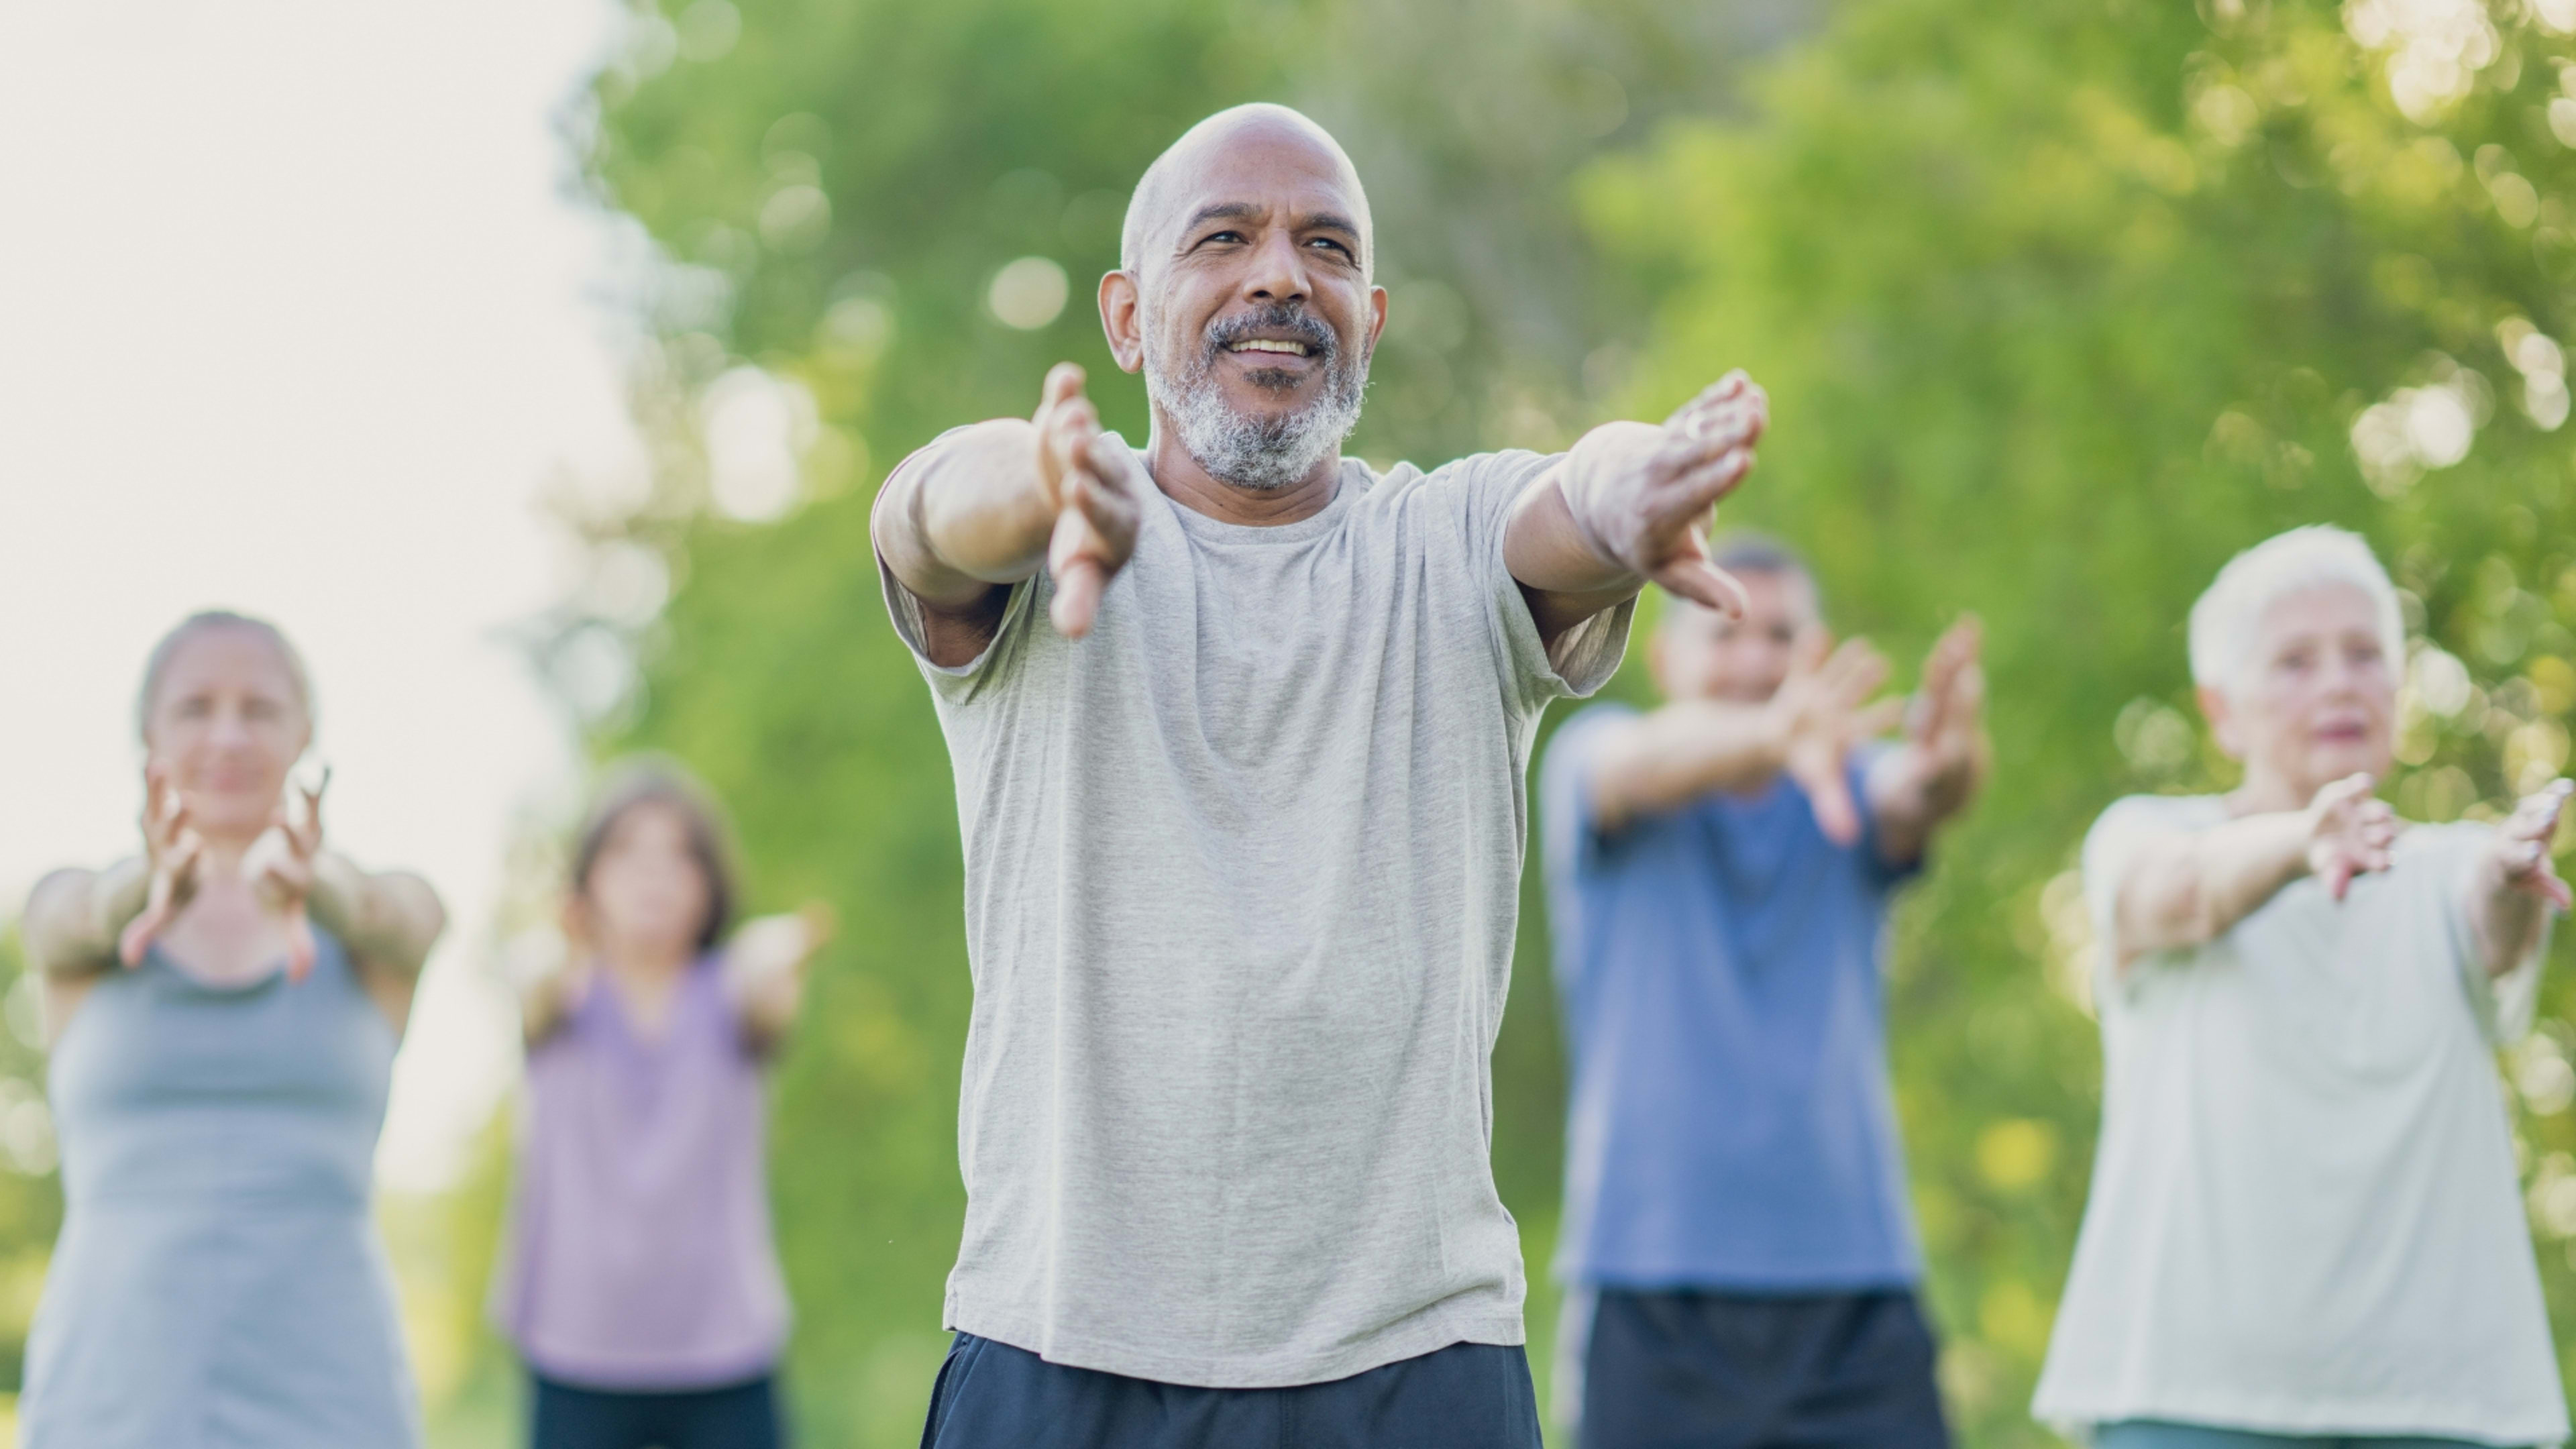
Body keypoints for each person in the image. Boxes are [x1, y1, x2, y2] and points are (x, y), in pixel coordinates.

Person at [871, 102, 1769, 1449]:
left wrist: (1636, 491)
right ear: (1125, 319)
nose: (1282, 275)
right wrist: (1043, 483)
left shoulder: (1446, 541)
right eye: (1223, 239)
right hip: (1062, 1353)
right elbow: (930, 515)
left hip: (1413, 1364)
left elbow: (1572, 497)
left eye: (1327, 248)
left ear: (1372, 315)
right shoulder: (1043, 540)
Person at [2031, 526, 2571, 1449]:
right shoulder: (2144, 835)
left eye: (2366, 654)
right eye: (2294, 661)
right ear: (2221, 709)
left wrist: (2509, 878)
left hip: (2439, 1407)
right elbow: (2185, 895)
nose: (2338, 683)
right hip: (2187, 1399)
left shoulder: (2450, 868)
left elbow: (2494, 930)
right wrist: (2302, 842)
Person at [1537, 537, 1987, 1448]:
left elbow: (1920, 792)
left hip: (1855, 1298)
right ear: (1665, 658)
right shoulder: (1600, 756)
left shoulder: (1848, 787)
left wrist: (1950, 761)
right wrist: (1776, 737)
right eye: (1725, 634)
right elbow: (1643, 768)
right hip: (1650, 1292)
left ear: (1813, 652)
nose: (1754, 660)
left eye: (1780, 636)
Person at [15, 610, 447, 1448]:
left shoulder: (370, 924)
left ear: (305, 733)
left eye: (259, 708)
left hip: (333, 1396)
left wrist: (319, 888)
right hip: (109, 1397)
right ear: (148, 735)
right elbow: (67, 919)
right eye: (195, 707)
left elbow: (402, 918)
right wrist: (143, 891)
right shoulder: (83, 916)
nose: (228, 733)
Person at [496, 761, 831, 1449]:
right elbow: (531, 978)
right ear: (587, 881)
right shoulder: (561, 995)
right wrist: (564, 946)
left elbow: (768, 983)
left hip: (723, 1348)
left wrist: (782, 950)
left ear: (710, 885)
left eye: (679, 854)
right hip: (576, 1347)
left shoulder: (732, 995)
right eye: (627, 850)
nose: (653, 873)